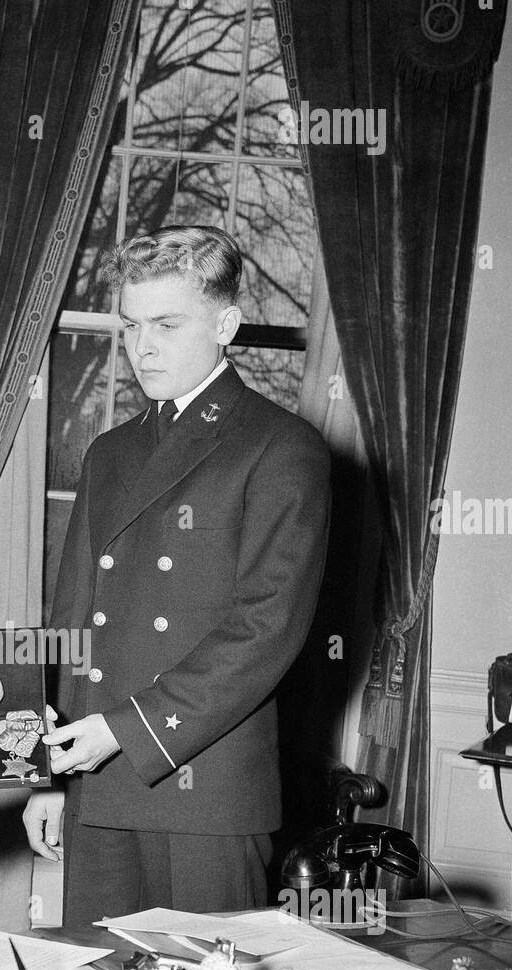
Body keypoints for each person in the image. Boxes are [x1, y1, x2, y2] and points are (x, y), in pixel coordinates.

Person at [24, 225, 330, 929]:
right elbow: (64, 621)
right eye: (130, 325)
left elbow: (262, 633)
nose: (143, 346)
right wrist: (34, 775)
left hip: (203, 791)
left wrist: (120, 733)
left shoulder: (280, 447)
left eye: (167, 323)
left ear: (225, 324)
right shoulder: (110, 451)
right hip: (96, 788)